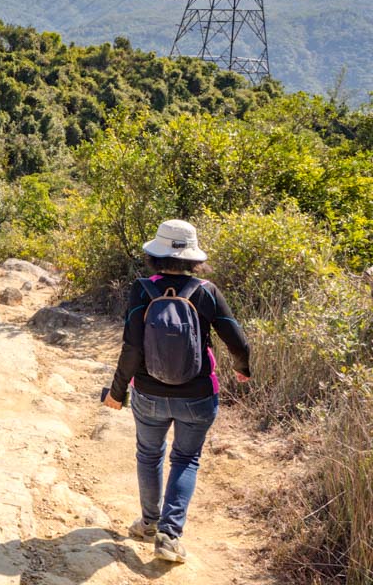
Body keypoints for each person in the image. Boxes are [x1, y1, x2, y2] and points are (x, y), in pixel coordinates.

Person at [103, 219, 251, 564]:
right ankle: (170, 535)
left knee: (149, 454)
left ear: (155, 254)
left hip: (149, 393)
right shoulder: (206, 291)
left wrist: (117, 391)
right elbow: (237, 340)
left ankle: (148, 524)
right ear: (193, 258)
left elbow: (131, 348)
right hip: (198, 395)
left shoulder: (142, 290)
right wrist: (242, 369)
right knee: (186, 459)